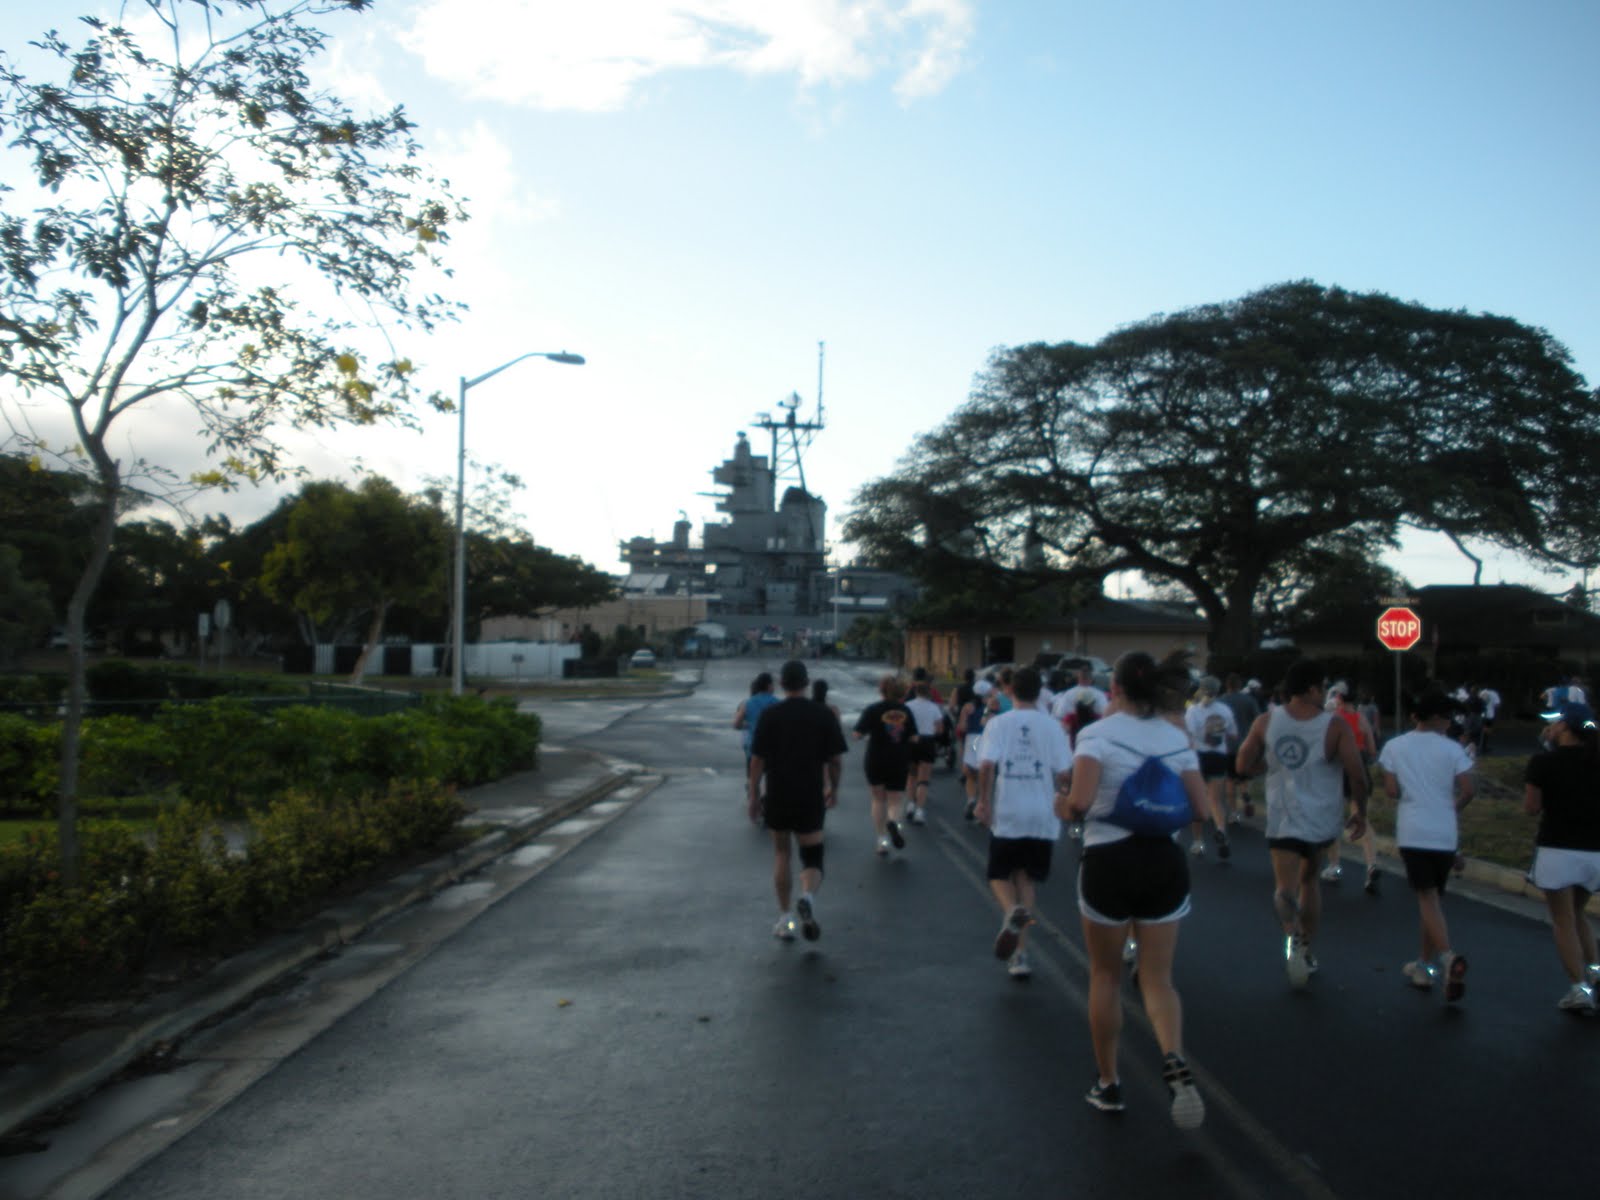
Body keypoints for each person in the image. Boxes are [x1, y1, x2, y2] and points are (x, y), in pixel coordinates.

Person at [1058, 650, 1207, 1129]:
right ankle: (1173, 1055)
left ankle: (1109, 1083)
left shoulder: (1095, 736)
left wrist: (1062, 804)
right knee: (1158, 979)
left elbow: (1080, 802)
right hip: (1163, 860)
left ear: (1114, 688)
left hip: (1109, 861)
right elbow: (1201, 808)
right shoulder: (1175, 738)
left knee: (1105, 976)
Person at [1236, 659, 1369, 989]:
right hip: (1321, 817)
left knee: (1284, 887)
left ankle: (1291, 938)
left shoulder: (1267, 721)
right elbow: (1357, 774)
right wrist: (1360, 810)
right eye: (1322, 687)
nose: (1324, 693)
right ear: (1311, 689)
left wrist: (1264, 771)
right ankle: (1306, 948)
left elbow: (1242, 762)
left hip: (1282, 816)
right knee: (1310, 882)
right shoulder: (1335, 726)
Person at [974, 667, 1074, 981]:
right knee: (1027, 880)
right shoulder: (1053, 727)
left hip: (1009, 810)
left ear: (1010, 692)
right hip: (1041, 813)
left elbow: (987, 764)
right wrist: (1063, 796)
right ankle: (1020, 955)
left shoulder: (998, 724)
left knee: (998, 874)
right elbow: (1065, 772)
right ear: (1038, 691)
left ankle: (1010, 913)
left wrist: (983, 800)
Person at [1378, 690, 1475, 1002]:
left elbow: (1391, 791)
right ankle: (1423, 964)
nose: (1450, 722)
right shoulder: (1453, 750)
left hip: (1413, 830)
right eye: (1448, 716)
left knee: (1426, 898)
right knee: (1432, 902)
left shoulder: (1394, 747)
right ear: (1437, 718)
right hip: (1445, 833)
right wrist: (1450, 807)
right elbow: (1468, 790)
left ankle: (1447, 958)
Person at [748, 660, 847, 942]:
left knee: (781, 854)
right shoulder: (823, 714)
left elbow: (757, 761)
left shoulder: (770, 715)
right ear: (806, 683)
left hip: (778, 793)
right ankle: (807, 898)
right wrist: (834, 789)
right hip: (810, 794)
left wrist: (754, 796)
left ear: (782, 684)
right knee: (812, 856)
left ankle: (785, 918)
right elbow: (836, 760)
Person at [1523, 698, 1600, 1014]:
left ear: (1566, 727)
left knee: (1562, 919)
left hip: (1557, 849)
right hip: (1594, 851)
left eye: (1555, 722)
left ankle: (1578, 987)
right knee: (1579, 912)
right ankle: (1595, 972)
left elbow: (1532, 807)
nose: (1550, 727)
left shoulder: (1544, 762)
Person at [1320, 685, 1382, 894]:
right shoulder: (1362, 719)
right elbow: (1373, 750)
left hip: (1339, 771)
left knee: (1333, 818)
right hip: (1361, 769)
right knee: (1362, 818)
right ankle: (1372, 864)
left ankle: (1334, 865)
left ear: (1338, 698)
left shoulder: (1334, 719)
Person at [852, 673, 919, 857]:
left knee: (878, 799)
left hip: (876, 758)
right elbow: (914, 737)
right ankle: (893, 822)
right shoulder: (906, 711)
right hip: (898, 758)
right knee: (896, 799)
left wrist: (868, 733)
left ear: (881, 690)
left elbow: (857, 734)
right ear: (901, 692)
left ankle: (882, 841)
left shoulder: (873, 709)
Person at [1182, 676, 1235, 858]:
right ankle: (1221, 830)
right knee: (1216, 800)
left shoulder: (1193, 711)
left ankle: (1198, 842)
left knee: (1197, 798)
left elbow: (1188, 734)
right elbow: (1233, 734)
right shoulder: (1225, 710)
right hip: (1219, 756)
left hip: (1198, 756)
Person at [733, 672, 778, 818]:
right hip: (774, 750)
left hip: (754, 748)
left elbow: (736, 724)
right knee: (771, 780)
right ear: (769, 685)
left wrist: (748, 725)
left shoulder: (748, 703)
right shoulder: (777, 702)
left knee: (754, 780)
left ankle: (755, 804)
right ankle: (768, 805)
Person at [1219, 674, 1261, 822]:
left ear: (1227, 685)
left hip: (1228, 745)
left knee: (1230, 779)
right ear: (1239, 685)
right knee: (1243, 777)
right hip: (1245, 743)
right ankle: (1246, 797)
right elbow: (1258, 718)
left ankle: (1233, 812)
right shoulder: (1249, 700)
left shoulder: (1221, 702)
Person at [904, 681, 945, 824]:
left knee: (911, 776)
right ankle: (919, 811)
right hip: (927, 742)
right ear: (929, 692)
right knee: (924, 779)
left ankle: (910, 804)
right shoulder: (933, 707)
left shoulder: (908, 706)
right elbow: (940, 729)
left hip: (912, 741)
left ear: (915, 692)